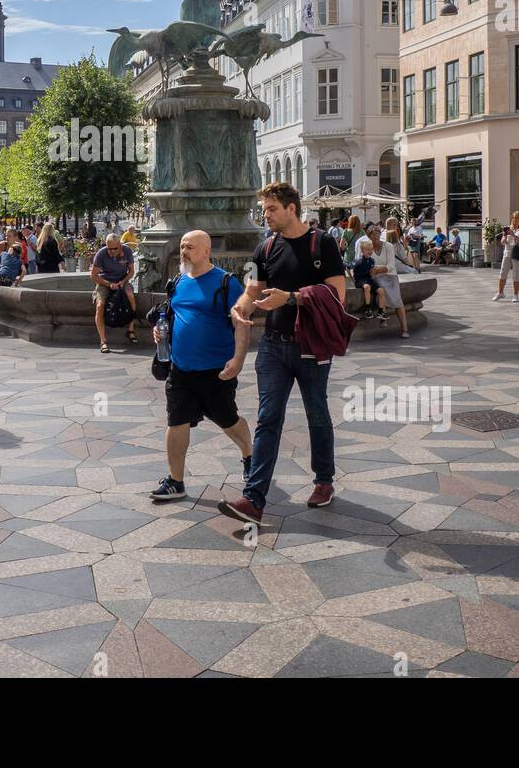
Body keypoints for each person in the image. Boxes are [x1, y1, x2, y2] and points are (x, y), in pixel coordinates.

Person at [219, 181, 346, 527]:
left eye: (271, 209)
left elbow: (337, 296)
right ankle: (254, 499)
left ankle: (324, 480)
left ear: (292, 208)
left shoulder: (324, 243)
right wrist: (240, 308)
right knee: (267, 418)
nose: (266, 215)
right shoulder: (265, 247)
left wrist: (291, 298)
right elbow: (253, 289)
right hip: (273, 345)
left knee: (316, 413)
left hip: (310, 344)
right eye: (264, 209)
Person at [148, 230, 252, 503]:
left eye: (190, 247)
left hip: (216, 370)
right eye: (182, 246)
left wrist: (238, 359)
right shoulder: (178, 281)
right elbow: (172, 316)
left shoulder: (227, 283)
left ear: (206, 251)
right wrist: (161, 333)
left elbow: (241, 324)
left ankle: (249, 455)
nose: (184, 251)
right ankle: (175, 481)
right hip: (181, 369)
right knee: (176, 421)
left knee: (228, 420)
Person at [91, 233, 137, 352]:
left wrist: (123, 281)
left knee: (131, 296)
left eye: (114, 249)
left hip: (122, 280)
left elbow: (131, 271)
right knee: (100, 305)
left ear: (120, 245)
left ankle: (131, 329)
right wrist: (108, 284)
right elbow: (94, 276)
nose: (111, 251)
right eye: (109, 249)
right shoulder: (101, 254)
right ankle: (103, 341)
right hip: (104, 281)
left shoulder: (127, 251)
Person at [370, 221, 410, 337]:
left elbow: (391, 265)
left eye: (377, 234)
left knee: (397, 299)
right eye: (372, 235)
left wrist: (377, 269)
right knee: (382, 288)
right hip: (377, 277)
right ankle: (384, 317)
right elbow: (366, 263)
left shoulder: (388, 246)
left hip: (391, 275)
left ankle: (404, 329)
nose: (375, 237)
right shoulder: (368, 246)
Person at [494, 211, 519, 302]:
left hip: (517, 254)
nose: (515, 220)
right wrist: (505, 235)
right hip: (507, 253)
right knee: (502, 273)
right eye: (513, 218)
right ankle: (500, 292)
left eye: (517, 218)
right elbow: (502, 242)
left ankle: (515, 295)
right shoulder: (509, 228)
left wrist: (513, 234)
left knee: (516, 274)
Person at [351, 236, 379, 319]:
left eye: (371, 249)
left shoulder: (372, 260)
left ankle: (381, 310)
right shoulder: (358, 261)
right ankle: (368, 309)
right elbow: (351, 269)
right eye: (368, 250)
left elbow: (372, 272)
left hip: (368, 279)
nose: (370, 251)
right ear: (362, 251)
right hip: (360, 280)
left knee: (381, 290)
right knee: (367, 287)